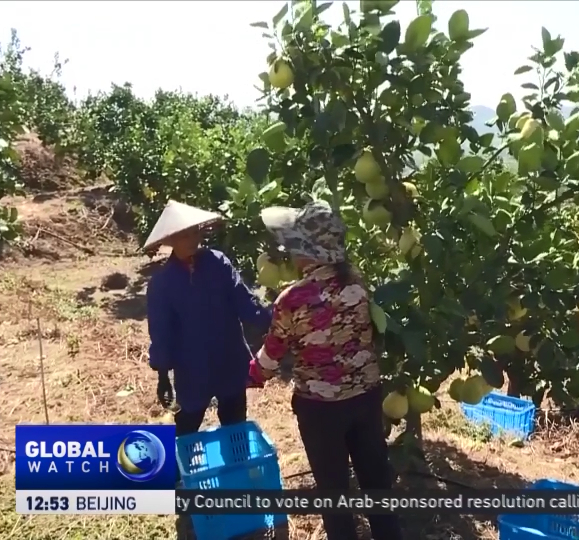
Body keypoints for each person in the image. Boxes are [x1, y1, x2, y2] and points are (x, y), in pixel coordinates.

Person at [248, 200, 403, 540]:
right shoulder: (357, 283)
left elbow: (272, 355)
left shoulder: (293, 299)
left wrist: (252, 374)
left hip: (321, 409)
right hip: (365, 397)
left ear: (305, 249)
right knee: (378, 486)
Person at [144, 200, 272, 439]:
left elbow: (244, 301)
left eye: (195, 232)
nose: (193, 239)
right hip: (192, 367)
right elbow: (161, 333)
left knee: (235, 427)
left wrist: (273, 320)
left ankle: (234, 461)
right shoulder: (162, 283)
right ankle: (182, 463)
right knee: (187, 427)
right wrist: (162, 375)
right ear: (171, 240)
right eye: (184, 235)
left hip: (229, 358)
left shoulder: (218, 263)